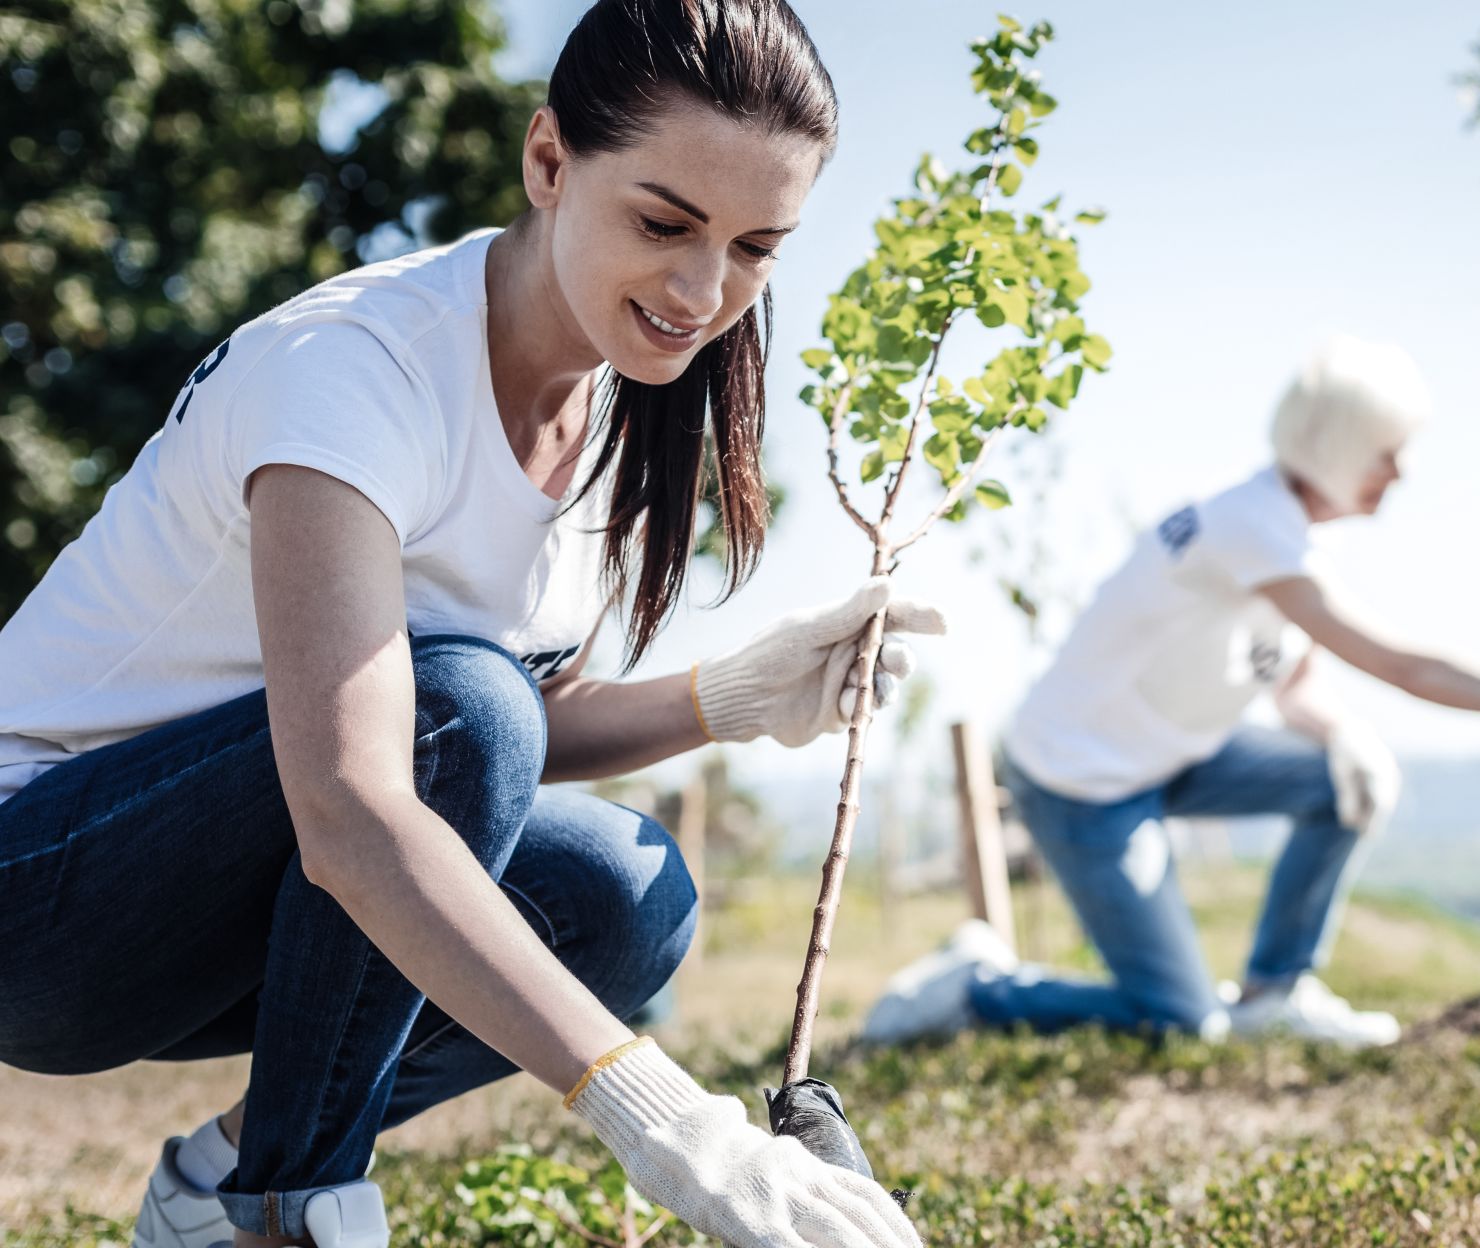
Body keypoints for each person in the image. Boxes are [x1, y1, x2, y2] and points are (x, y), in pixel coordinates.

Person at [0, 3, 929, 1245]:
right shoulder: (355, 369)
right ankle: (292, 1209)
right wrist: (675, 1130)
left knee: (622, 896)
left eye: (757, 247)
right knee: (456, 715)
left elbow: (504, 729)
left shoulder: (611, 406)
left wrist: (731, 699)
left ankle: (236, 1194)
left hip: (231, 891)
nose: (706, 293)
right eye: (664, 223)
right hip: (39, 893)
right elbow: (362, 796)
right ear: (549, 162)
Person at [861, 335, 1480, 1050]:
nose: (1403, 470)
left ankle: (1276, 993)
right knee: (1177, 1018)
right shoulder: (1252, 526)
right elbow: (1404, 667)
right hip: (1082, 780)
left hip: (1173, 751)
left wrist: (1341, 736)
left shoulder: (1279, 536)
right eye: (1387, 450)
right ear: (1340, 448)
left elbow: (1296, 685)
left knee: (1337, 781)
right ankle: (977, 986)